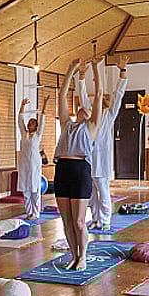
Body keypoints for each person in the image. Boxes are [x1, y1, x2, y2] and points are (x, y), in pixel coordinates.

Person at [54, 57, 105, 270]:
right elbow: (61, 95)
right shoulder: (67, 124)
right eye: (81, 108)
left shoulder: (92, 127)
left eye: (87, 109)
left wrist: (95, 68)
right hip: (62, 170)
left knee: (78, 222)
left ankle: (83, 256)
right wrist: (71, 69)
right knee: (66, 221)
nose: (84, 109)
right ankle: (73, 256)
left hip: (80, 170)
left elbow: (99, 95)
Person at [78, 56, 129, 230]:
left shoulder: (109, 115)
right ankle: (94, 219)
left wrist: (122, 72)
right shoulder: (90, 115)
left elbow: (119, 95)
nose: (95, 103)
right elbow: (83, 98)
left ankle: (105, 220)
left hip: (102, 159)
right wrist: (81, 77)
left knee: (103, 190)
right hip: (88, 158)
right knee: (90, 192)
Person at [17, 94, 49, 219]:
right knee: (26, 190)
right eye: (29, 122)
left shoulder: (37, 135)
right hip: (24, 164)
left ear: (35, 126)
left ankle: (36, 213)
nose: (30, 123)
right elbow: (20, 120)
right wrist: (22, 105)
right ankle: (29, 212)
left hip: (34, 164)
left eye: (33, 122)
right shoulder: (24, 134)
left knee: (35, 189)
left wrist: (45, 104)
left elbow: (43, 120)